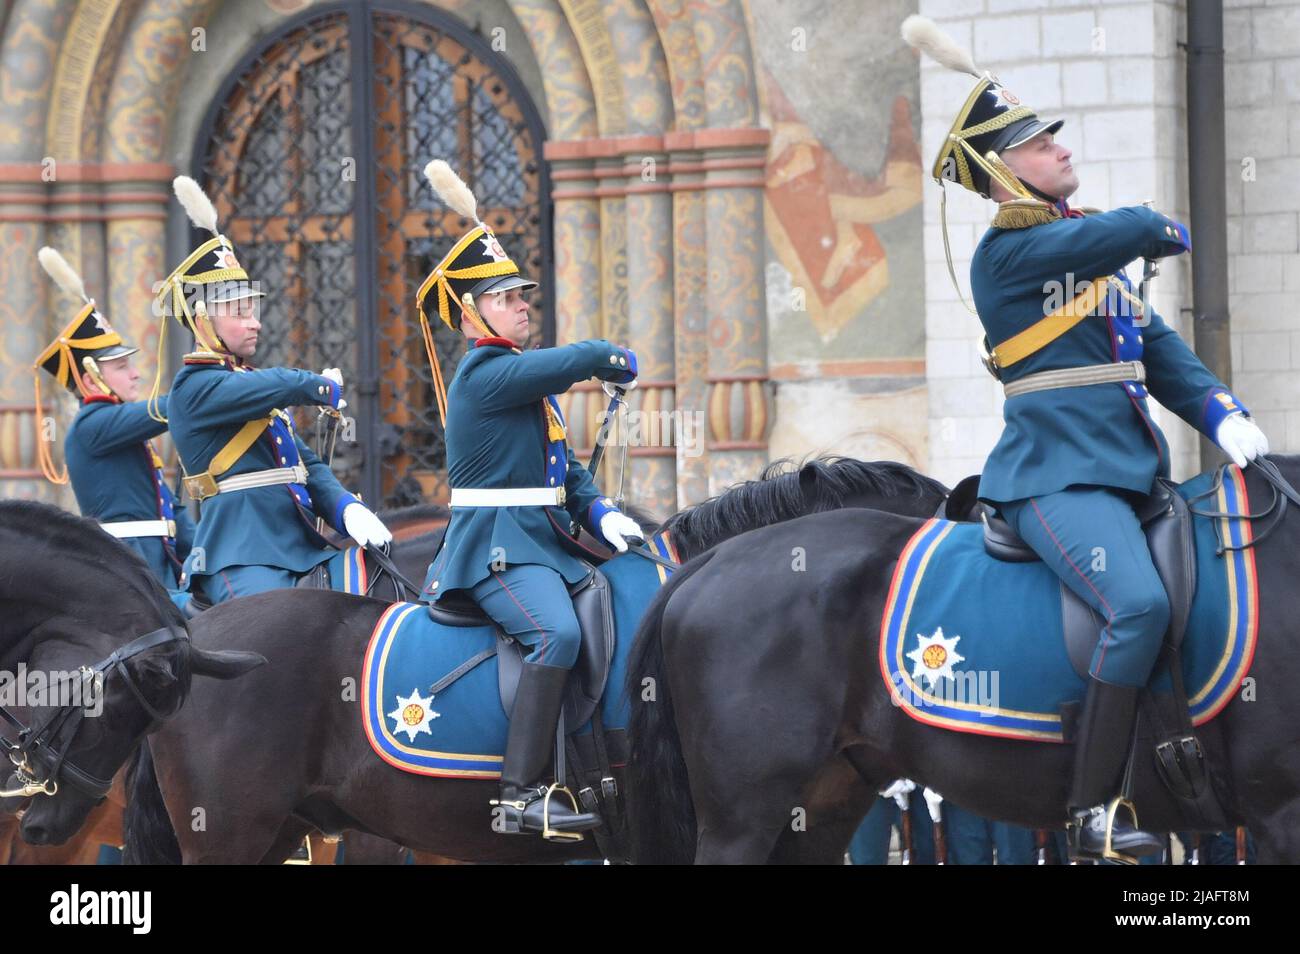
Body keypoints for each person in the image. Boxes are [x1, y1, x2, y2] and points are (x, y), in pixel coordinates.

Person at [906, 16, 1269, 863]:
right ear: (1003, 171)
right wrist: (1152, 227)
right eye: (1037, 143)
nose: (1057, 147)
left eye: (1051, 136)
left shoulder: (1081, 253)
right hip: (1054, 482)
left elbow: (1160, 352)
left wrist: (1222, 414)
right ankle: (1096, 808)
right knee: (1137, 605)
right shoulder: (1009, 255)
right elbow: (1126, 231)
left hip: (1133, 476)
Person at [417, 160, 643, 837]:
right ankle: (519, 795)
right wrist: (606, 353)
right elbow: (571, 360)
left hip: (546, 544)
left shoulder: (520, 381)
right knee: (557, 634)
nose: (523, 306)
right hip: (498, 553)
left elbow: (564, 471)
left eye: (523, 297)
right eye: (508, 298)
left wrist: (601, 512)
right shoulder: (486, 375)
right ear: (471, 312)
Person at [154, 176, 391, 605]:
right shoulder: (195, 388)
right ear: (203, 318)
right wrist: (317, 384)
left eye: (254, 309)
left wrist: (346, 510)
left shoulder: (245, 384)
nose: (255, 321)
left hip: (299, 550)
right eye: (240, 312)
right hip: (242, 560)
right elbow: (280, 383)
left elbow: (308, 466)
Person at [33, 246, 194, 593]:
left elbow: (169, 505)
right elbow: (166, 409)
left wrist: (200, 557)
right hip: (131, 568)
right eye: (122, 367)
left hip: (160, 562)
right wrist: (204, 388)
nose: (136, 375)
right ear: (90, 380)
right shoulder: (93, 425)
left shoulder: (120, 427)